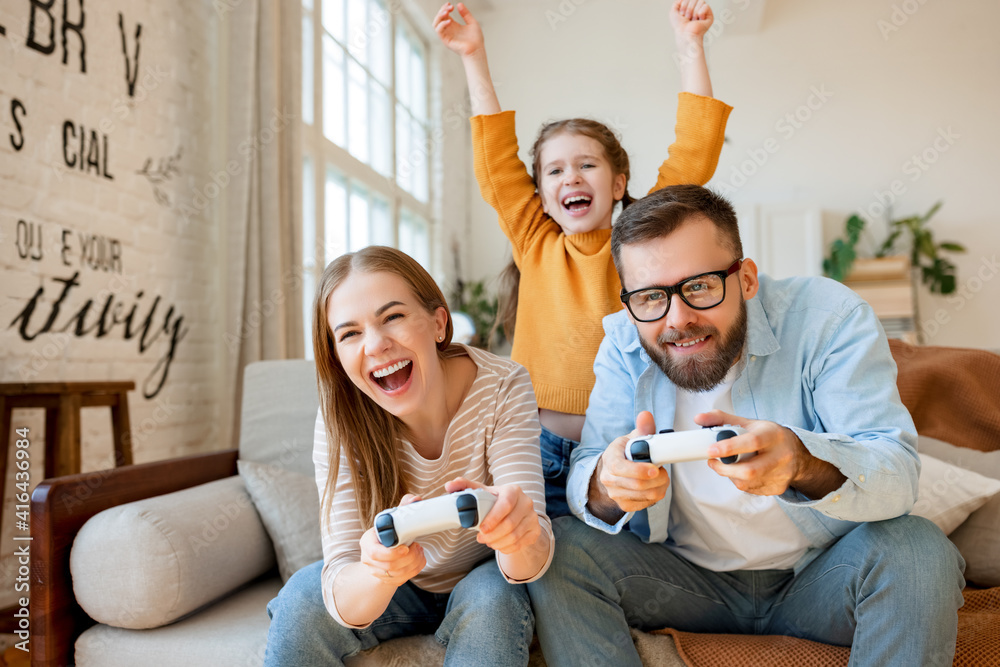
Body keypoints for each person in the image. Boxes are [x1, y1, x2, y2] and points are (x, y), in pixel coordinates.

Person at [527, 185, 966, 667]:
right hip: (682, 583)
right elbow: (589, 470)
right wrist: (608, 484)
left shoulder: (829, 319)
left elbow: (897, 473)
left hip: (819, 576)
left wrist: (802, 461)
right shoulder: (624, 341)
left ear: (748, 279)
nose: (678, 319)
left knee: (919, 549)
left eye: (699, 286)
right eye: (651, 296)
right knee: (558, 551)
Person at [434, 1, 733, 517]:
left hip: (621, 452)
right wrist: (473, 56)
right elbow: (495, 164)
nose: (570, 177)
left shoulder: (642, 247)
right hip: (535, 451)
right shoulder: (534, 239)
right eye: (553, 171)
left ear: (618, 184)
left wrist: (691, 46)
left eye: (586, 165)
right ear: (543, 196)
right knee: (531, 561)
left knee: (607, 564)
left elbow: (694, 153)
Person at [264, 246, 553, 667]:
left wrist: (518, 534)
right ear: (337, 357)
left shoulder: (503, 385)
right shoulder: (338, 421)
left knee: (494, 604)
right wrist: (380, 571)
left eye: (392, 317)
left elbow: (531, 560)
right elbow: (345, 590)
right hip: (396, 590)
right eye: (349, 334)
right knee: (301, 599)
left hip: (484, 575)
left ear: (438, 322)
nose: (377, 345)